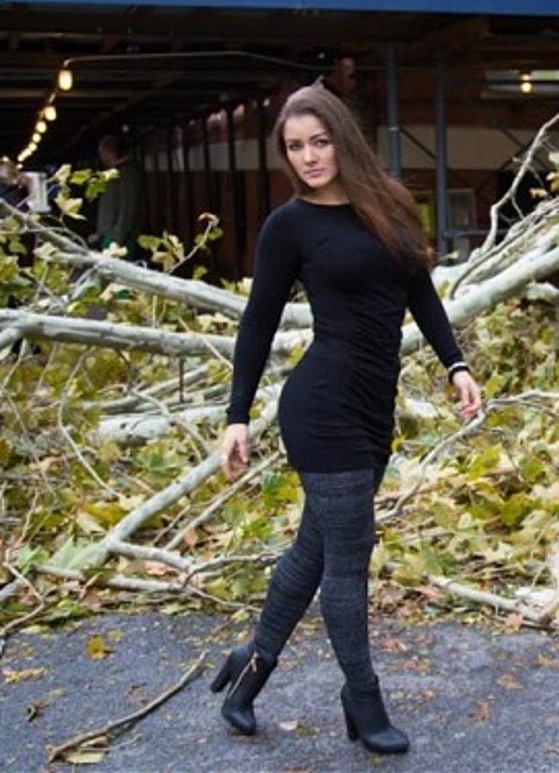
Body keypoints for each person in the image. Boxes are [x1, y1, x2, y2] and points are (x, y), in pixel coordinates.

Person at [211, 84, 483, 755]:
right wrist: (236, 414)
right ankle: (362, 700)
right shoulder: (289, 227)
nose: (308, 157)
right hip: (321, 406)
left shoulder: (388, 204)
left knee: (314, 552)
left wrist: (456, 364)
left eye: (319, 141)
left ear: (343, 138)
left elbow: (420, 289)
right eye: (295, 147)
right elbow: (258, 322)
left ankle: (248, 674)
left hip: (372, 407)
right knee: (348, 559)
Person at [89, 133, 145, 257]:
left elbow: (127, 208)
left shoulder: (127, 174)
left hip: (118, 238)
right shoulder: (115, 173)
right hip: (111, 236)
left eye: (101, 151)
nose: (100, 156)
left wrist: (118, 239)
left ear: (108, 151)